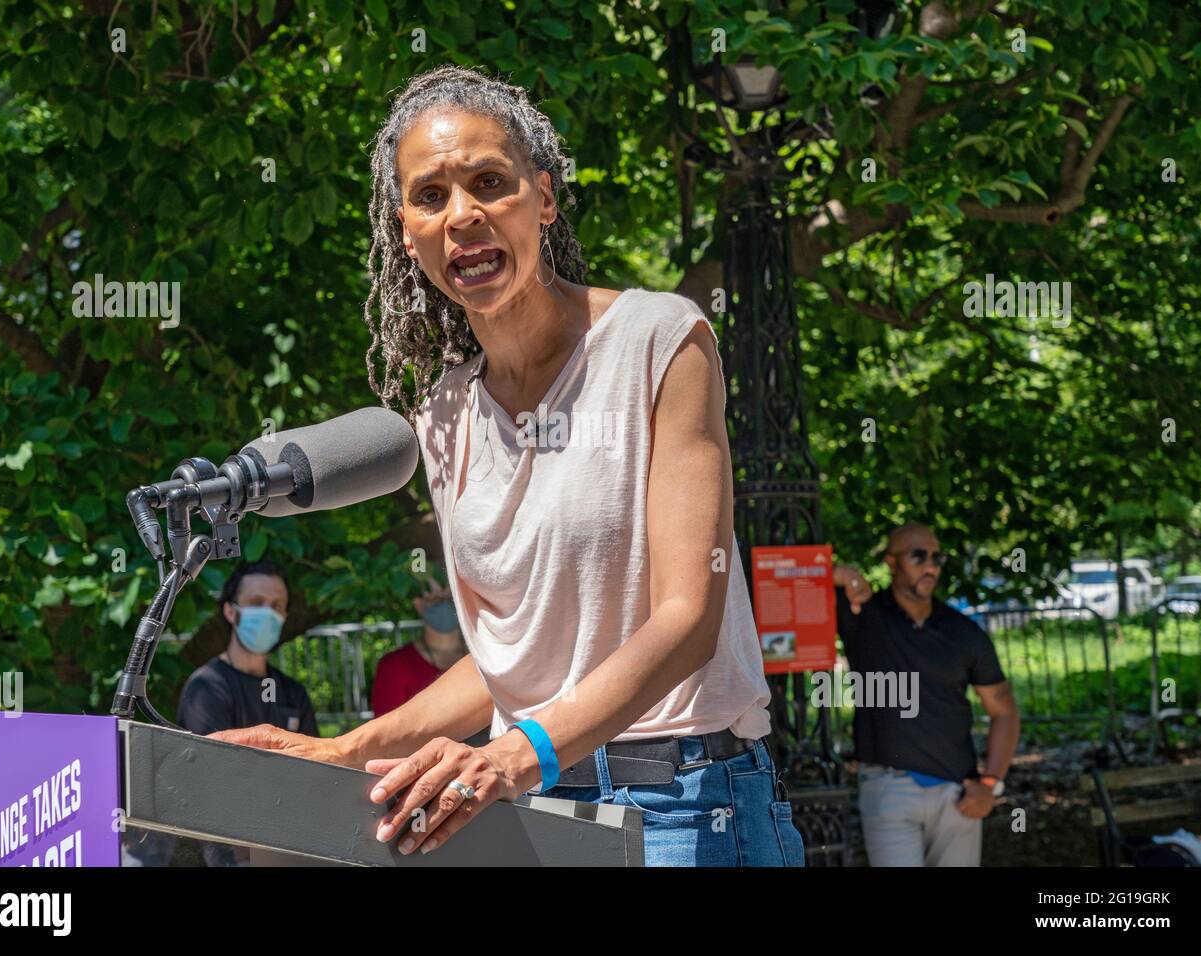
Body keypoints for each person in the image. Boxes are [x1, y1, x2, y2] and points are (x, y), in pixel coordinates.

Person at [212, 65, 804, 867]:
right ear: (406, 231)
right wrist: (349, 750)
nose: (464, 216)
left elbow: (686, 621)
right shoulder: (443, 417)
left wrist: (508, 757)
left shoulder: (661, 342)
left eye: (491, 182)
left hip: (684, 805)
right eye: (431, 197)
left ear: (544, 199)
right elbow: (508, 667)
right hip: (526, 813)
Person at [834, 523, 1021, 866]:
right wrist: (842, 573)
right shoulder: (865, 616)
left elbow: (1004, 711)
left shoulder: (963, 632)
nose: (931, 565)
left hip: (957, 793)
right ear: (892, 562)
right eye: (918, 555)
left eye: (937, 557)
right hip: (888, 788)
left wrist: (990, 784)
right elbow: (793, 584)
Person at [178, 560, 318, 865]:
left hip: (289, 849)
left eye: (276, 605)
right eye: (256, 603)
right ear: (231, 611)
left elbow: (315, 775)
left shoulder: (294, 693)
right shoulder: (206, 688)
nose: (267, 612)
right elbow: (211, 787)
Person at [371, 582, 468, 717]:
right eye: (435, 598)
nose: (444, 605)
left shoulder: (486, 658)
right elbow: (386, 731)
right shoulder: (394, 666)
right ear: (418, 603)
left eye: (451, 598)